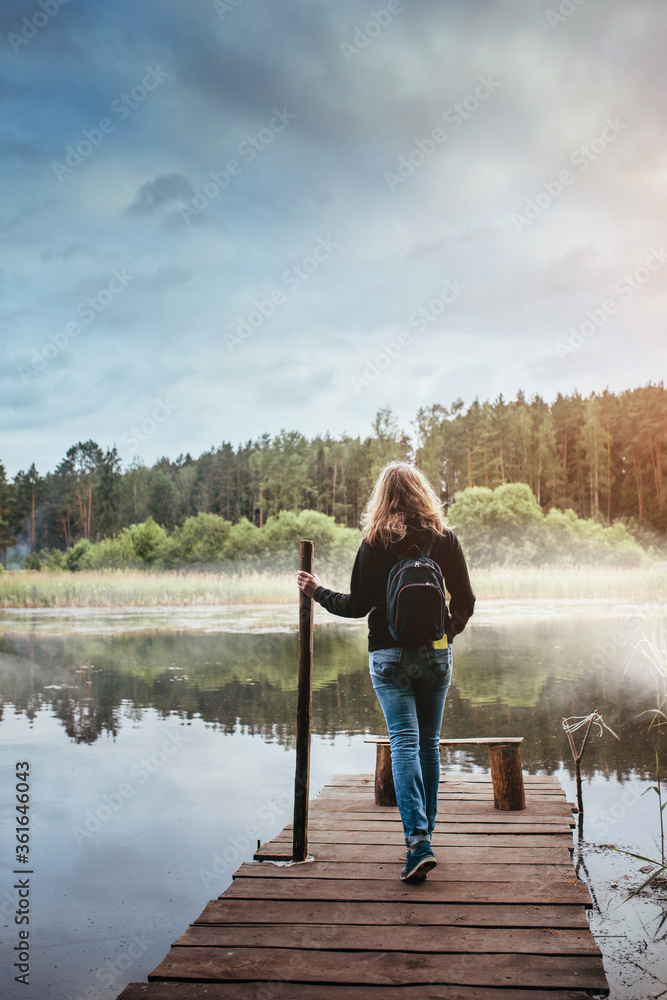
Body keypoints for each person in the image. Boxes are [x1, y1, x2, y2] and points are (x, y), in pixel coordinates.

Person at [296, 461, 475, 883]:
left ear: (383, 496)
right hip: (435, 655)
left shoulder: (374, 541)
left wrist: (315, 590)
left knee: (404, 743)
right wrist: (444, 634)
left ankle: (418, 844)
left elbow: (356, 607)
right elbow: (465, 601)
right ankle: (423, 837)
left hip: (388, 656)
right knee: (428, 745)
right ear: (422, 492)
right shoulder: (444, 539)